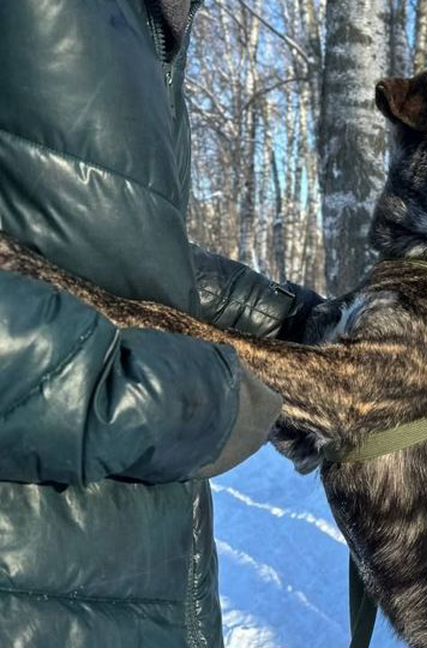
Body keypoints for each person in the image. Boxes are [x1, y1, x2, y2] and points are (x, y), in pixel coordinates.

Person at [0, 2, 321, 646]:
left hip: (145, 585)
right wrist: (181, 400)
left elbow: (123, 249)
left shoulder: (148, 22)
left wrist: (291, 320)